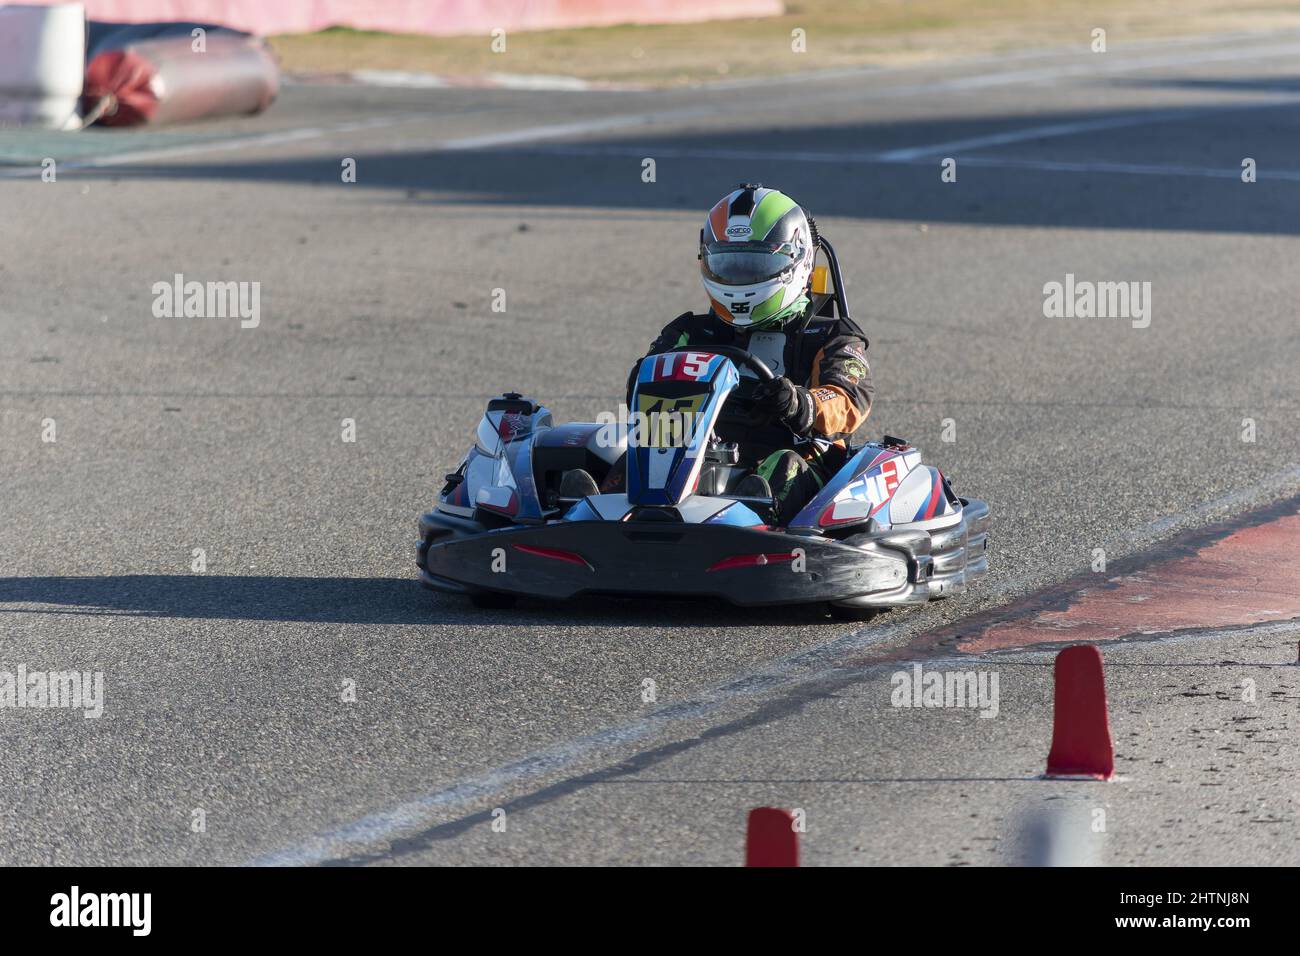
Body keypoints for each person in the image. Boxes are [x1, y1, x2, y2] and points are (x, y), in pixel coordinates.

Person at [629, 184, 874, 523]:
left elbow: (848, 400)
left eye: (753, 264)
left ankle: (756, 531)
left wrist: (800, 403)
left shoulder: (831, 335)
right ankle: (602, 514)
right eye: (731, 263)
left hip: (792, 455)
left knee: (783, 468)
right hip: (696, 455)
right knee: (607, 446)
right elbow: (641, 389)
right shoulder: (691, 332)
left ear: (797, 260)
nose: (741, 275)